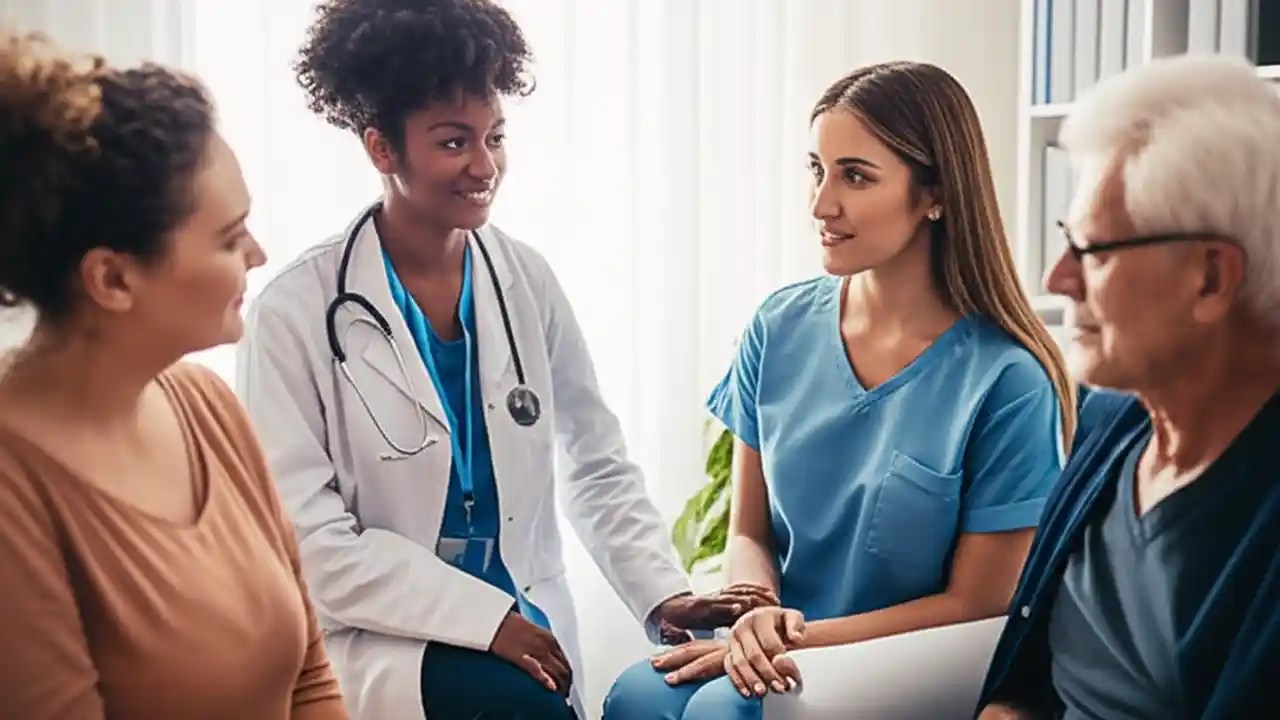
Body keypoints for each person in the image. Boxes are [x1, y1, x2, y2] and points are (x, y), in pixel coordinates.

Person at [234, 1, 772, 718]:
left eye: (495, 137)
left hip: (522, 612)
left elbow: (596, 464)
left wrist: (664, 592)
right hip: (387, 633)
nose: (485, 166)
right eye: (454, 142)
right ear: (381, 149)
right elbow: (313, 545)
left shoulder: (525, 281)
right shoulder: (295, 313)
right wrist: (484, 621)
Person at [603, 61, 1077, 720]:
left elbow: (978, 603)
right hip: (784, 639)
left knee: (721, 714)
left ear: (934, 192)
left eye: (855, 175)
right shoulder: (777, 326)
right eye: (816, 170)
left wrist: (794, 641)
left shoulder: (1007, 382)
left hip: (903, 660)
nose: (822, 204)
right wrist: (753, 612)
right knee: (635, 695)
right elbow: (750, 530)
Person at [0, 30, 347, 720]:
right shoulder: (16, 487)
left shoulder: (207, 406)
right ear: (113, 278)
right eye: (228, 237)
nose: (257, 253)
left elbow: (309, 678)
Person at [976, 54, 1280, 720]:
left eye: (1093, 250)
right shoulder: (1113, 416)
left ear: (1209, 277)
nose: (1058, 278)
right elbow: (1027, 680)